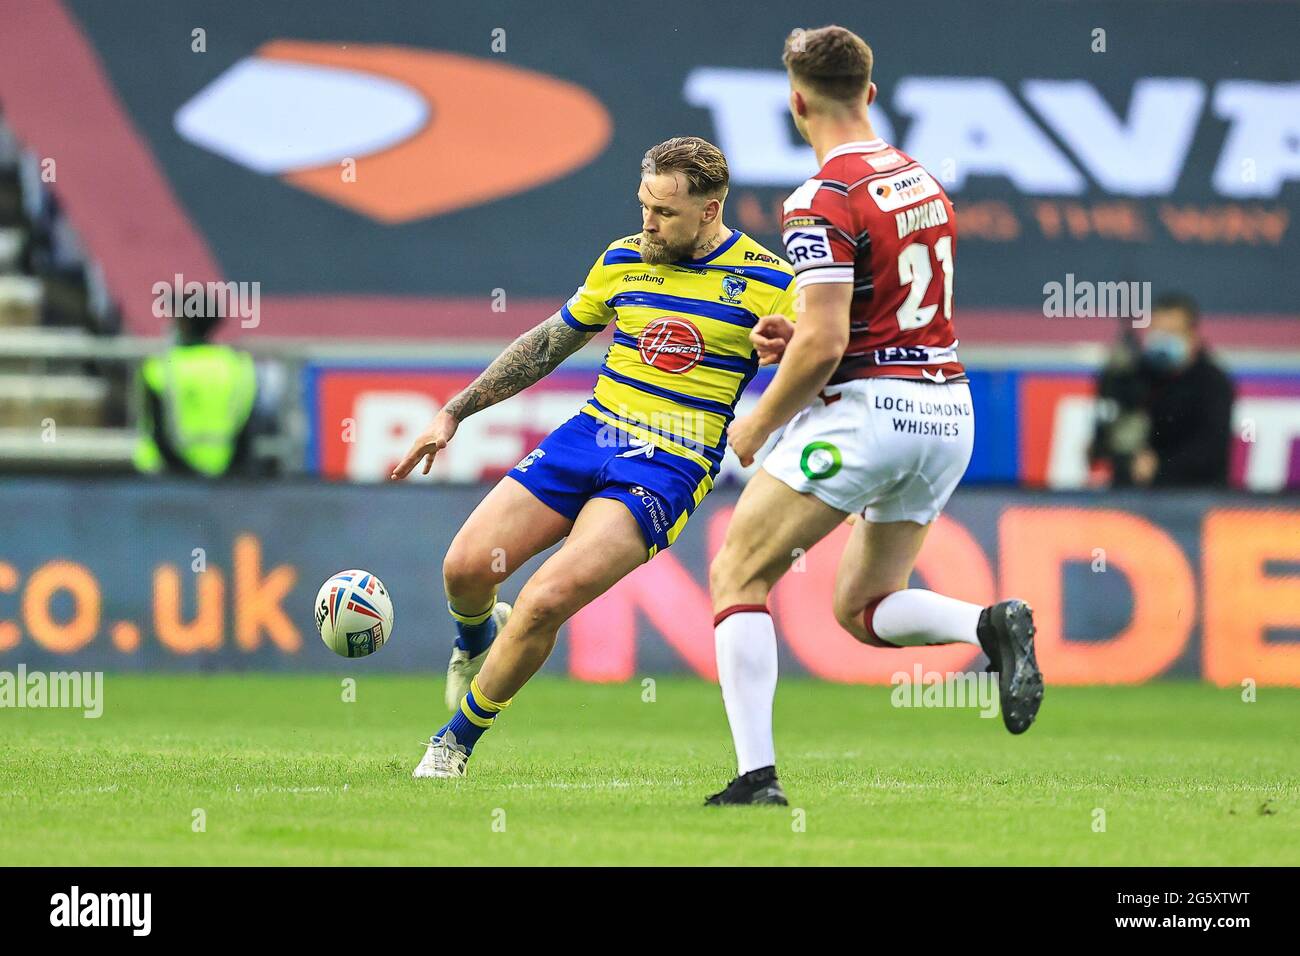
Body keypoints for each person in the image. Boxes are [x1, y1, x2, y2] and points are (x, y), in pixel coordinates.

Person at [704, 25, 1044, 807]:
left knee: (737, 573)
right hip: (946, 412)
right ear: (872, 91)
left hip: (870, 415)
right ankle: (989, 623)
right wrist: (810, 338)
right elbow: (875, 316)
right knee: (862, 609)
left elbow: (824, 343)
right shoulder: (922, 178)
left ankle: (756, 780)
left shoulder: (820, 198)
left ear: (796, 101)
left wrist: (757, 424)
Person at [390, 137, 796, 779]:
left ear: (711, 208)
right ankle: (474, 641)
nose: (648, 222)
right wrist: (455, 412)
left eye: (664, 212)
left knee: (546, 600)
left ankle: (453, 744)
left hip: (669, 461)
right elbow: (549, 342)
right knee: (466, 568)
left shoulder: (772, 283)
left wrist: (790, 359)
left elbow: (825, 355)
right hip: (591, 434)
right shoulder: (624, 259)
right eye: (643, 205)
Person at [1089, 293, 1235, 487]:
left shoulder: (1213, 382)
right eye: (1157, 331)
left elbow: (1211, 449)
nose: (1163, 339)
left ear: (1192, 336)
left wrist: (1159, 465)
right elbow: (1106, 440)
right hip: (1131, 496)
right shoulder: (1133, 375)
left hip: (1195, 495)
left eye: (1172, 332)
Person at [133, 313, 257, 478]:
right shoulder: (237, 365)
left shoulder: (159, 367)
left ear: (184, 324)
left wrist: (189, 474)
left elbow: (158, 432)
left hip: (163, 477)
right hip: (222, 474)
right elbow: (245, 432)